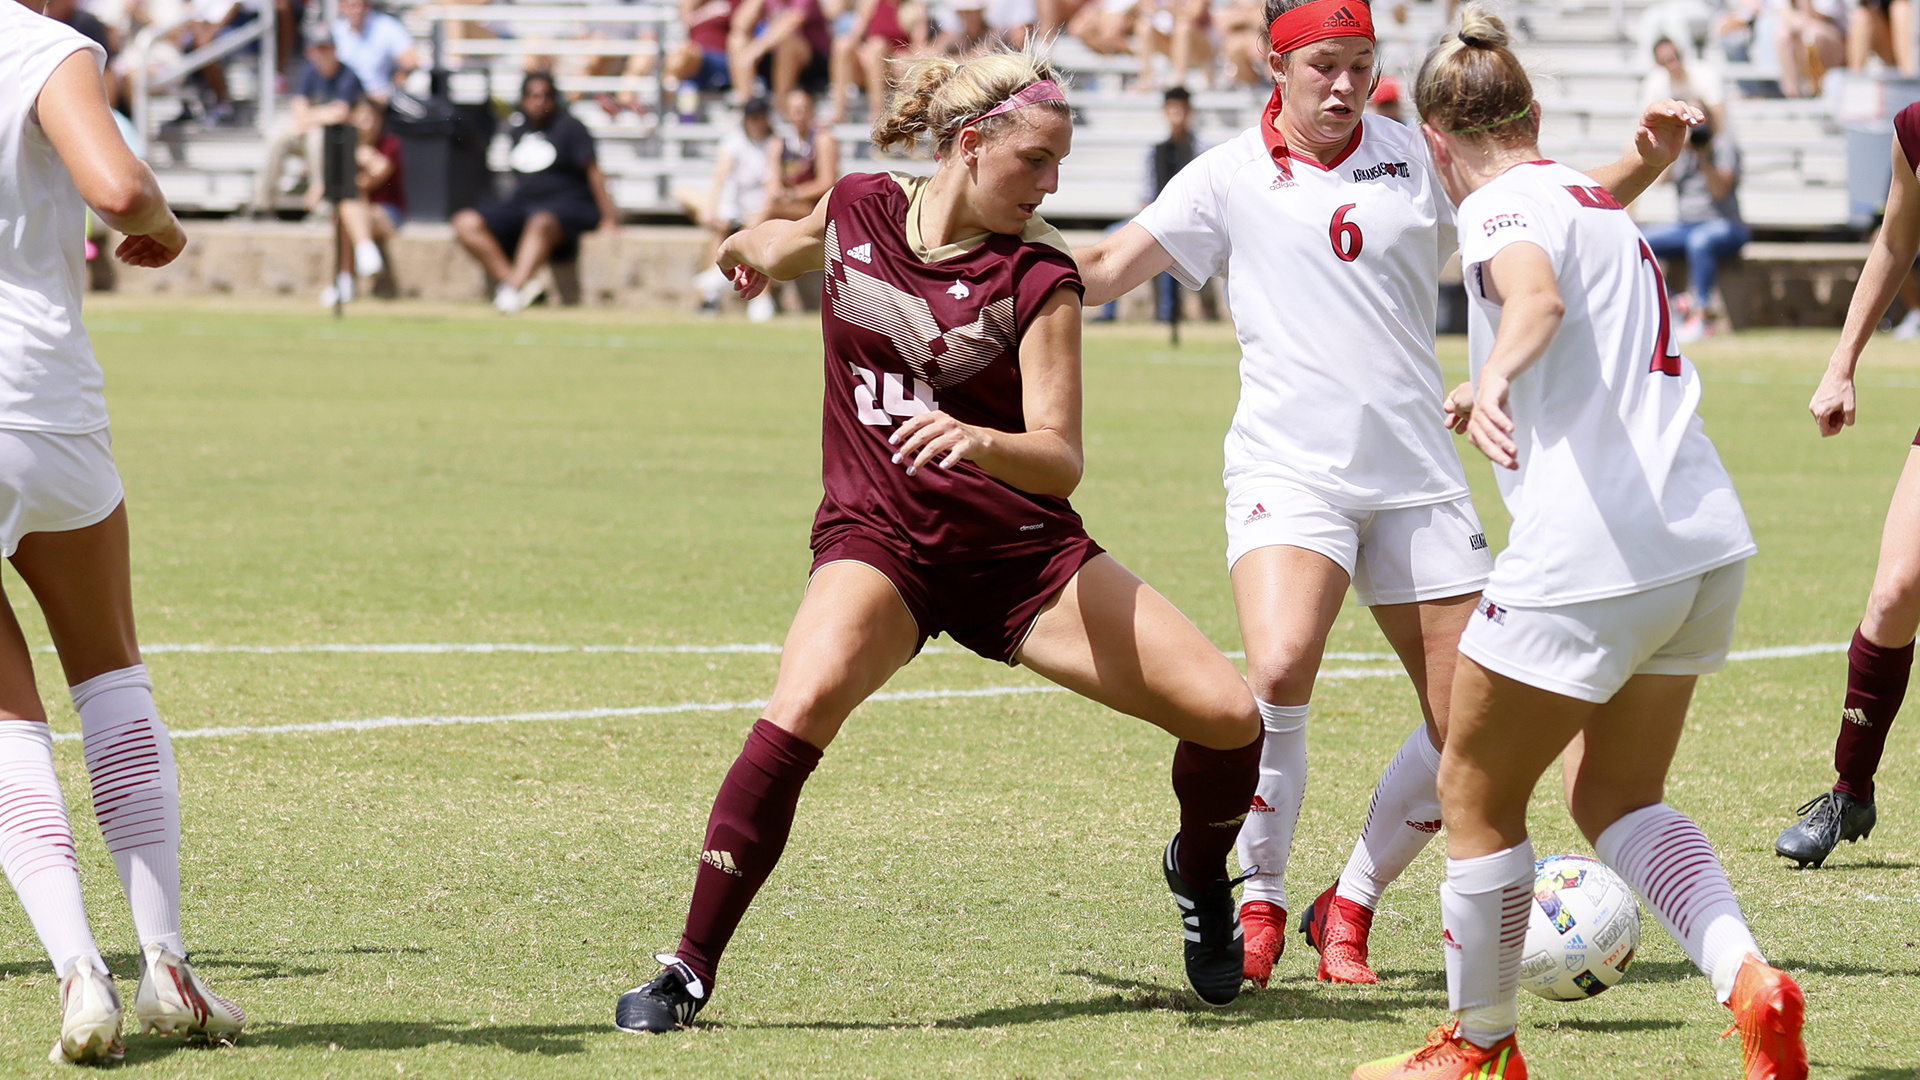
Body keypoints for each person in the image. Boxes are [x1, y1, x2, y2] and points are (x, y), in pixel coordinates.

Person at [612, 46, 1265, 1034]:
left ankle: (1201, 873)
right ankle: (687, 968)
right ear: (972, 144)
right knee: (802, 702)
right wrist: (744, 248)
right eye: (1035, 162)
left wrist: (979, 440)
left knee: (1227, 716)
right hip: (884, 545)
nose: (1051, 185)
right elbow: (787, 240)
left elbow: (1059, 458)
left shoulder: (1037, 274)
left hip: (1022, 561)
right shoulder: (863, 205)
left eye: (1059, 165)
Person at [1071, 0, 1698, 989]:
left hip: (1415, 474)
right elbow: (1104, 267)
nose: (1345, 85)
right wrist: (983, 248)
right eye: (1325, 64)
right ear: (1276, 68)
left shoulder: (1418, 154)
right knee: (1276, 670)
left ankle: (1349, 900)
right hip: (1290, 470)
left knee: (1469, 726)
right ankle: (1261, 900)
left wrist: (1648, 160)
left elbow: (1547, 202)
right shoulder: (1231, 176)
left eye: (1361, 64)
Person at [1351, 12, 1805, 1079]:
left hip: (1591, 554)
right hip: (1698, 543)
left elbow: (1538, 297)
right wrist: (1495, 373)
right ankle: (1751, 983)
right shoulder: (1581, 194)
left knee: (1472, 789)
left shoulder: (1500, 209)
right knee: (1613, 798)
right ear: (1535, 117)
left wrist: (1500, 368)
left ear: (1430, 136)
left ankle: (1477, 1046)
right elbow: (1566, 262)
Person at [1, 0, 246, 1062]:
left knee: (5, 719)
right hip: (38, 403)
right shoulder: (40, 42)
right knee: (108, 675)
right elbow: (120, 188)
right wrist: (166, 228)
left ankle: (76, 979)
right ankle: (168, 968)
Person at [1774, 100, 1920, 869]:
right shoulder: (1917, 127)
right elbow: (1897, 240)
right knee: (1895, 592)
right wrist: (1842, 364)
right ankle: (1848, 790)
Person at [452, 72, 620, 314]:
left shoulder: (571, 127)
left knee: (540, 221)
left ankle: (511, 291)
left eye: (544, 96)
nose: (538, 102)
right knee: (465, 222)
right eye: (531, 96)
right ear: (522, 100)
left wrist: (609, 218)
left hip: (568, 205)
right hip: (524, 204)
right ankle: (517, 284)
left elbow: (593, 172)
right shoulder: (516, 130)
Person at [1640, 113, 1746, 344]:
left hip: (1725, 224)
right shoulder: (1680, 150)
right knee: (1639, 240)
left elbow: (1720, 191)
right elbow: (1658, 181)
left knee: (1701, 241)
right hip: (1686, 225)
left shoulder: (1723, 146)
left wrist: (1703, 157)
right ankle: (1674, 304)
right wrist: (1670, 150)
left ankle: (1701, 315)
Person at [251, 25, 363, 217]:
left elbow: (339, 114)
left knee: (317, 138)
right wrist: (316, 116)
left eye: (326, 48)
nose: (322, 53)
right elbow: (298, 109)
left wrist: (310, 117)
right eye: (318, 49)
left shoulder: (348, 74)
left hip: (340, 140)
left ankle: (321, 205)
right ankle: (262, 203)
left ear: (335, 49)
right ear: (310, 51)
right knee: (276, 136)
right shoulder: (310, 72)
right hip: (308, 130)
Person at [687, 98, 777, 315]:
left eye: (759, 117)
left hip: (762, 209)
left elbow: (773, 185)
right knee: (720, 231)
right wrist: (713, 208)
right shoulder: (733, 142)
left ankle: (759, 296)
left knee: (757, 236)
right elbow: (721, 176)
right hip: (737, 209)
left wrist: (760, 213)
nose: (756, 123)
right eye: (751, 118)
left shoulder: (774, 143)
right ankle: (711, 296)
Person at [322, 98, 405, 306]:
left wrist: (366, 159)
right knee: (345, 209)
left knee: (347, 206)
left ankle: (345, 279)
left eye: (371, 119)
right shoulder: (345, 146)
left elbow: (376, 178)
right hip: (355, 212)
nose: (366, 124)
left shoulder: (389, 144)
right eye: (361, 118)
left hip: (386, 211)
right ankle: (364, 250)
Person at [826, 0, 924, 123]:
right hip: (870, 61)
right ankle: (839, 111)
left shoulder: (914, 6)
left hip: (894, 64)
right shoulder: (872, 3)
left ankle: (877, 112)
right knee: (842, 44)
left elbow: (918, 48)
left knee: (877, 47)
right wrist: (865, 53)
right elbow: (855, 38)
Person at [728, 0, 832, 106]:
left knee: (788, 41)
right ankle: (747, 104)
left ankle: (781, 103)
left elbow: (793, 21)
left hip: (811, 58)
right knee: (737, 40)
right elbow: (739, 24)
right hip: (774, 55)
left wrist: (757, 50)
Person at [765, 87, 840, 221]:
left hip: (816, 206)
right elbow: (772, 182)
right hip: (790, 203)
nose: (800, 115)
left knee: (768, 212)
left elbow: (827, 182)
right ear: (787, 113)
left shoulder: (822, 140)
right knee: (769, 208)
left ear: (812, 111)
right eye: (795, 110)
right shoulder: (778, 143)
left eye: (804, 109)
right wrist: (778, 193)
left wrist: (794, 194)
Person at [331, 0, 417, 104]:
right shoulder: (336, 31)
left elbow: (410, 62)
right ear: (342, 7)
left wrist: (393, 87)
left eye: (361, 5)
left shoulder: (386, 27)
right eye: (352, 6)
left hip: (379, 98)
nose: (357, 10)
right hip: (344, 98)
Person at [1642, 36, 1725, 134]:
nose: (1672, 64)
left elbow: (1718, 113)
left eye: (1674, 57)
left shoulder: (1704, 73)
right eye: (1665, 60)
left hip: (1712, 138)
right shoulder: (1654, 81)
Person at [1134, 0, 1211, 90]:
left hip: (1199, 46)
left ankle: (1179, 82)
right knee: (1144, 26)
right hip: (1169, 42)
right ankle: (1146, 79)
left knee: (1182, 28)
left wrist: (1170, 9)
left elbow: (1195, 14)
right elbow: (1141, 8)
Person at [667, 0, 740, 94]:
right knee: (649, 53)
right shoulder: (695, 7)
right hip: (693, 57)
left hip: (721, 57)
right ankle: (666, 89)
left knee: (687, 52)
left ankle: (666, 91)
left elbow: (742, 28)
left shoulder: (732, 3)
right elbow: (685, 25)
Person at [1776, 0, 1845, 97]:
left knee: (1813, 36)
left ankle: (1817, 90)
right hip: (1802, 30)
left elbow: (1819, 16)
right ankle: (1793, 94)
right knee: (1784, 36)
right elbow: (1784, 13)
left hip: (1833, 38)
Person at [1849, 0, 1914, 74]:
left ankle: (1909, 78)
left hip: (1910, 26)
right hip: (1888, 40)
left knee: (1901, 8)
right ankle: (1855, 78)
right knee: (1862, 16)